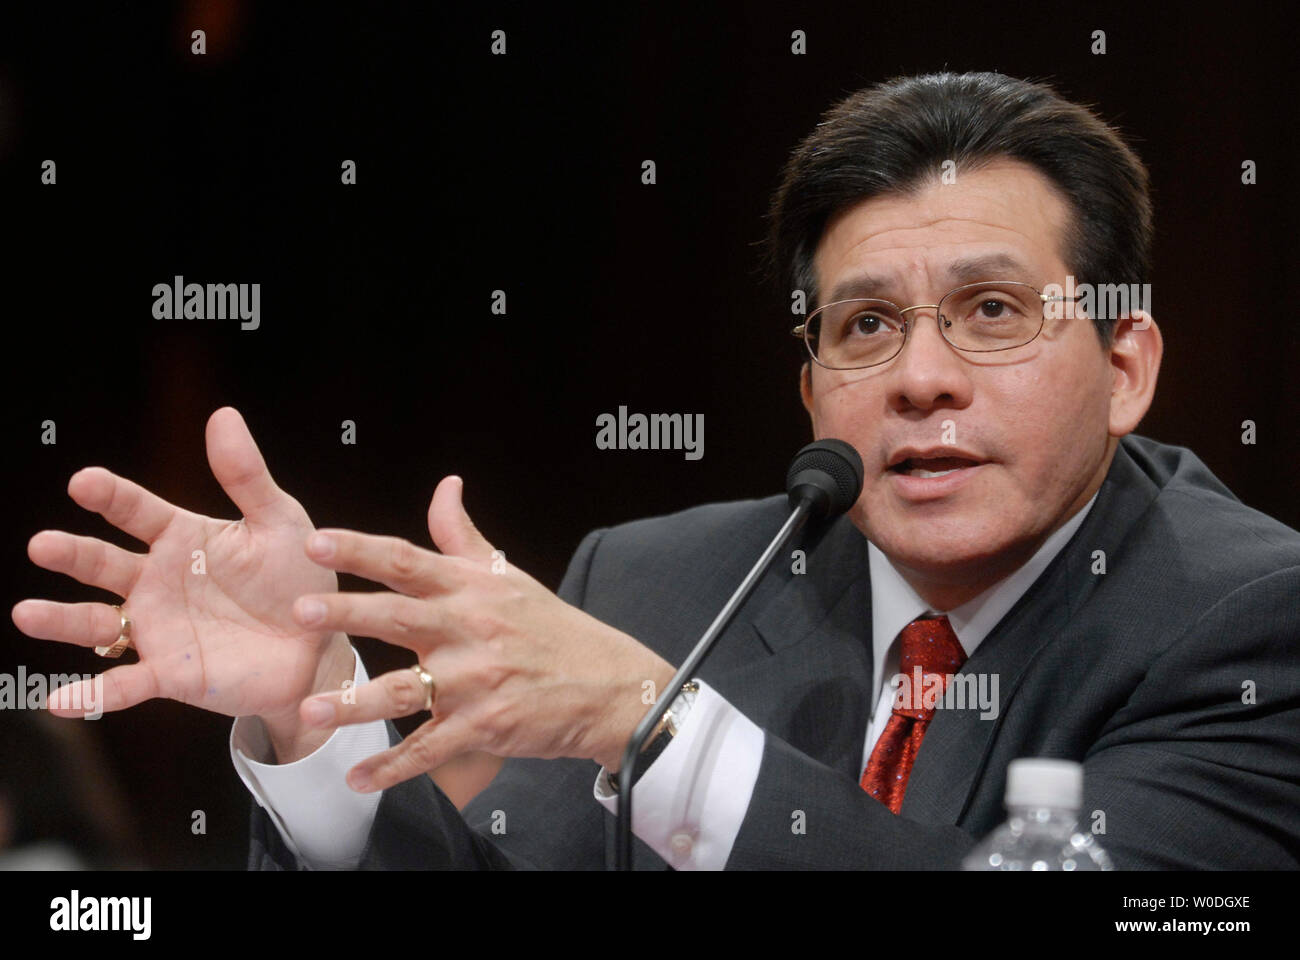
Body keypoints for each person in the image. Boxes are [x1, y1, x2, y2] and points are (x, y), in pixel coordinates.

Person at [14, 71, 1300, 870]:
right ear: (810, 393)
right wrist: (308, 712)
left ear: (1126, 364)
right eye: (863, 327)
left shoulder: (1247, 621)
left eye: (992, 313)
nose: (921, 379)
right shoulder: (661, 577)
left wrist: (657, 729)